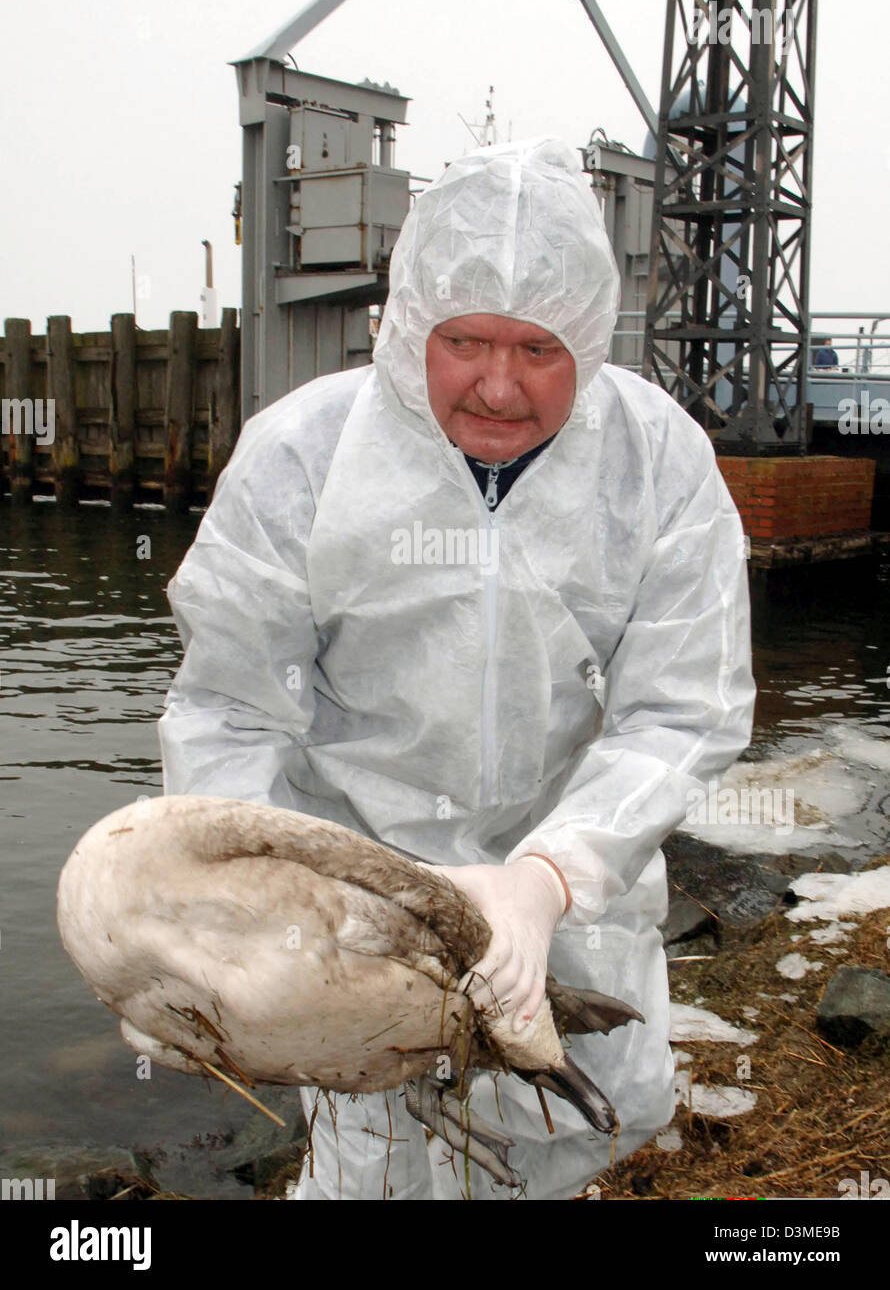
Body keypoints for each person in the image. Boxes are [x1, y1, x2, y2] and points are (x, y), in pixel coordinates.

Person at [158, 137, 756, 1200]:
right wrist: (237, 914)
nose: (495, 384)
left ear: (588, 339)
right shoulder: (301, 460)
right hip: (355, 922)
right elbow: (229, 716)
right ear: (405, 326)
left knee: (562, 1142)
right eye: (464, 339)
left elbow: (681, 709)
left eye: (536, 348)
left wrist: (548, 876)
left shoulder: (655, 461)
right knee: (373, 1162)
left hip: (568, 919)